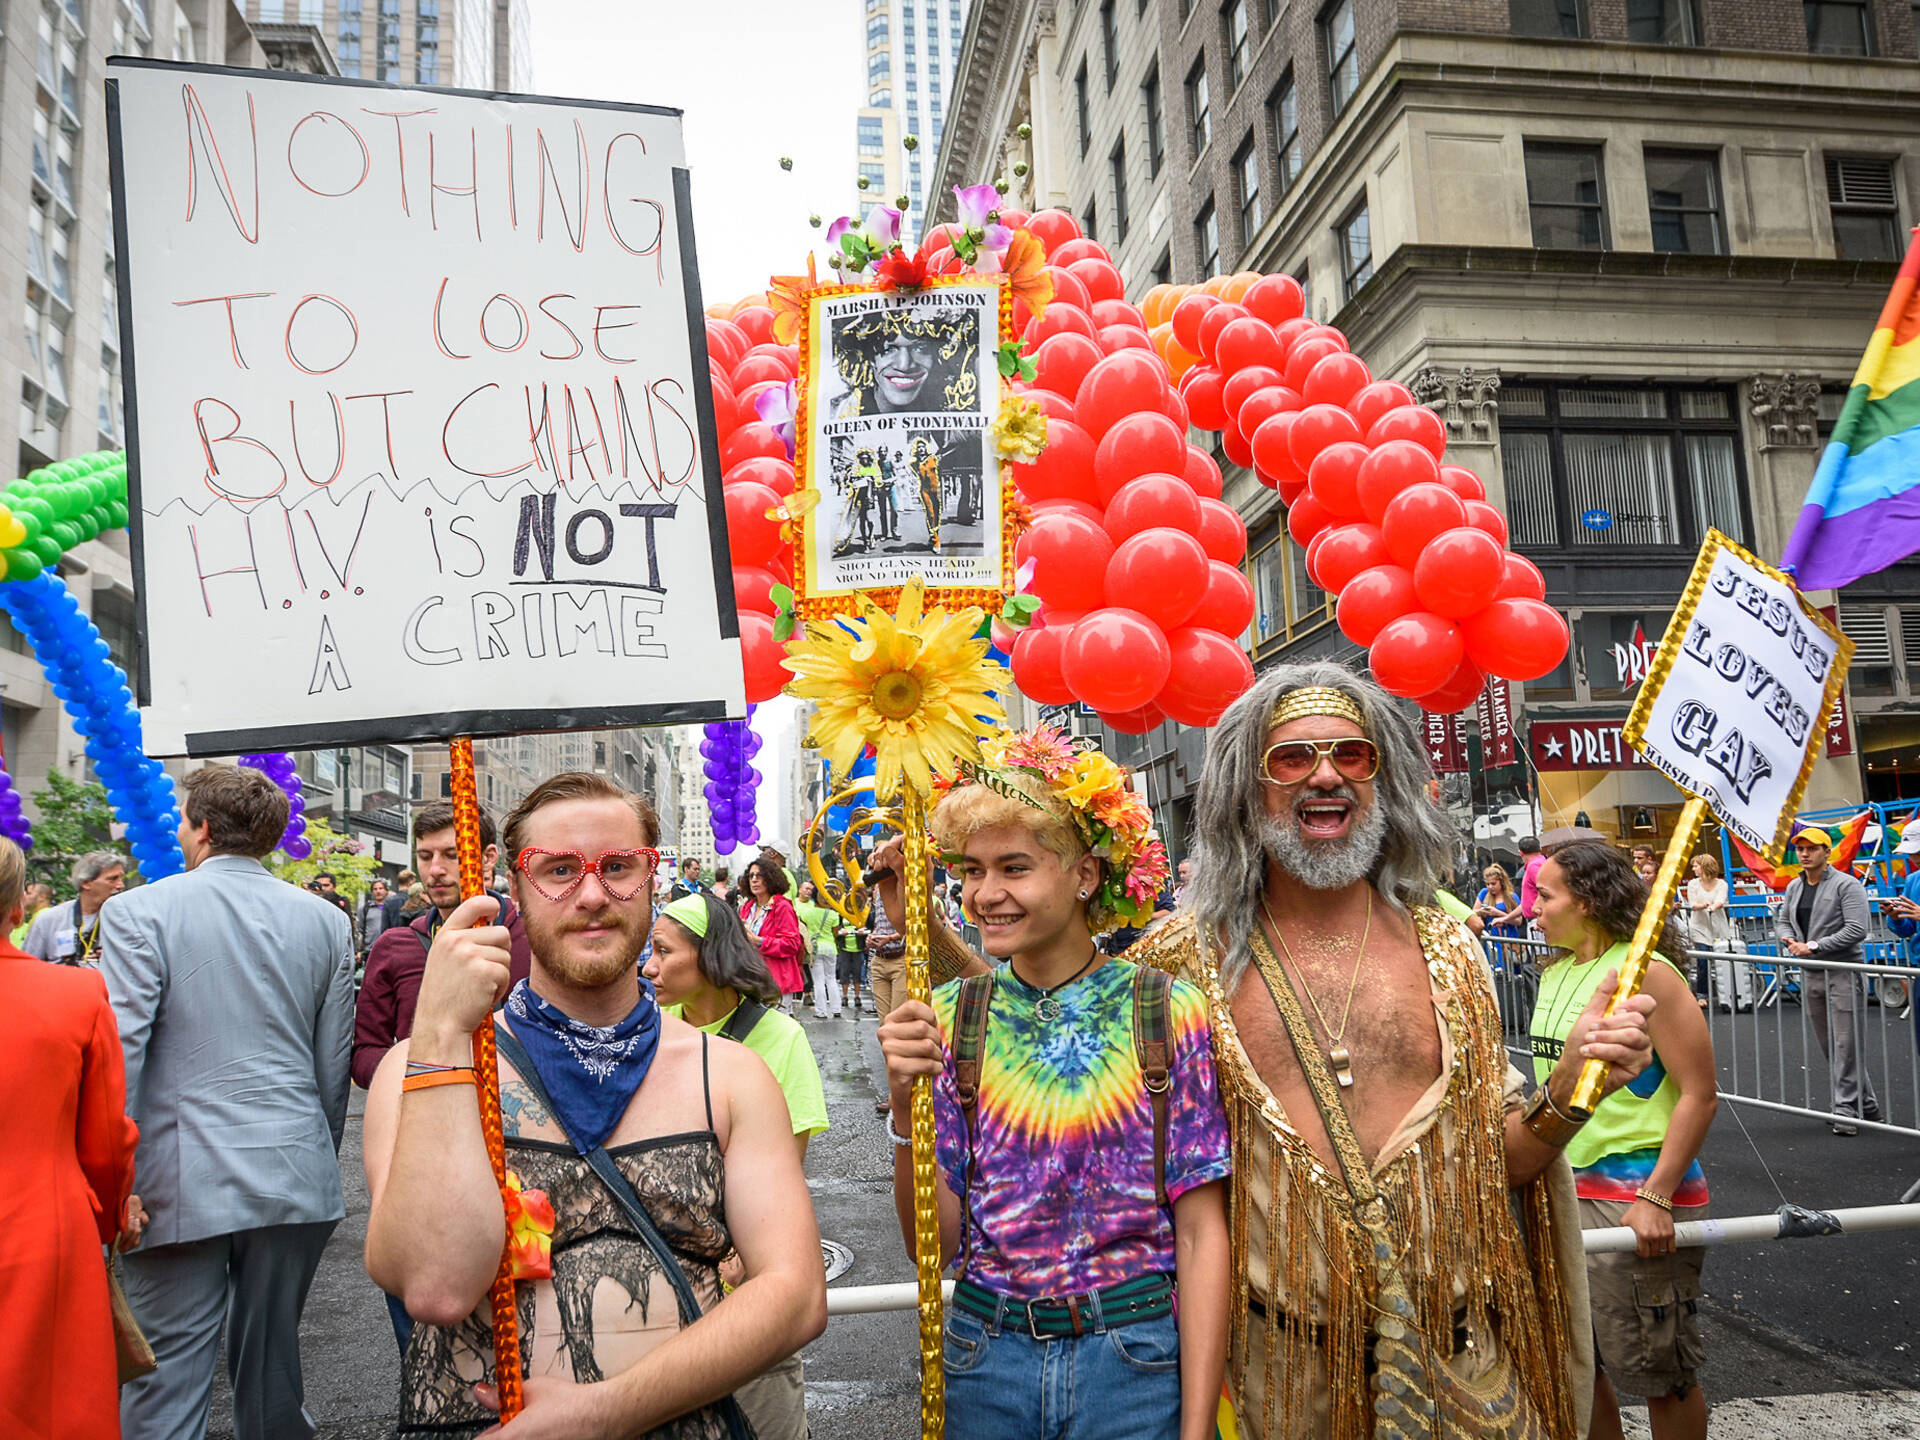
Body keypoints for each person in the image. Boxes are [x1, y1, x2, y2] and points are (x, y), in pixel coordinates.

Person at [1134, 664, 1658, 1437]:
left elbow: (1501, 1167)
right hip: (1278, 1386)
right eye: (1292, 758)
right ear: (1247, 790)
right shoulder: (1180, 963)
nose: (1326, 775)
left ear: (1386, 782)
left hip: (1463, 1371)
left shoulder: (1448, 948)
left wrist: (1575, 1089)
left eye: (1353, 755)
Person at [363, 771, 827, 1440]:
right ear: (514, 888)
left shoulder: (730, 1078)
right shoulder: (419, 1069)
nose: (590, 895)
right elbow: (436, 1289)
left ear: (652, 881)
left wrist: (605, 1412)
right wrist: (440, 1029)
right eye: (557, 869)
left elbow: (795, 1296)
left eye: (618, 867)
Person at [875, 726, 1231, 1440]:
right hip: (984, 1358)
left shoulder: (1164, 1009)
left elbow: (1200, 1234)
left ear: (1086, 875)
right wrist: (907, 1106)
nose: (985, 894)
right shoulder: (949, 1018)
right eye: (971, 871)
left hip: (1133, 1358)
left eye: (1014, 867)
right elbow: (931, 1247)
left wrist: (1196, 1425)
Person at [103, 765, 355, 1440]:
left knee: (165, 1385)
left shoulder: (138, 910)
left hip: (173, 1178)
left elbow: (122, 1048)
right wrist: (314, 1158)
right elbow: (331, 1066)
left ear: (203, 829)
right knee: (273, 1381)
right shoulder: (327, 923)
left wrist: (115, 1179)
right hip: (292, 1169)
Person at [1531, 842, 1718, 1440]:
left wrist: (1657, 1195)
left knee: (1663, 1372)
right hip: (1563, 1193)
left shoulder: (1648, 972)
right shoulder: (1555, 972)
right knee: (1577, 1368)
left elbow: (1699, 1093)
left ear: (1585, 902)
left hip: (1634, 1198)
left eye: (1546, 894)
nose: (1532, 907)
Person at [646, 890, 827, 1440]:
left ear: (710, 956)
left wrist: (743, 1253)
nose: (649, 968)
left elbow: (784, 1173)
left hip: (745, 1295)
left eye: (662, 951)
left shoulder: (780, 1038)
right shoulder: (649, 1032)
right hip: (661, 1295)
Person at [0, 833, 146, 1439]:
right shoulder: (74, 994)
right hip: (42, 1229)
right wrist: (115, 1218)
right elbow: (104, 1142)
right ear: (17, 909)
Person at [353, 802, 535, 1089]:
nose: (435, 869)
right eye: (425, 857)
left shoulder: (535, 939)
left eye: (452, 855)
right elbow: (364, 1053)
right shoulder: (394, 947)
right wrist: (426, 1068)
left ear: (488, 858)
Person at [1780, 824, 1880, 1135]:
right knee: (1832, 1045)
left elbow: (1856, 930)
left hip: (1843, 971)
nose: (1805, 853)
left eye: (1812, 848)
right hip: (1812, 974)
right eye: (1801, 848)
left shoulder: (1848, 885)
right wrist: (1788, 940)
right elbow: (1783, 919)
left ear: (1827, 852)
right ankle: (1867, 1104)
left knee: (1846, 1043)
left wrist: (1811, 946)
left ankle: (1846, 1110)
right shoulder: (1794, 887)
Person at [23, 849, 127, 965]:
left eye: (121, 878)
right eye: (112, 879)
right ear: (86, 883)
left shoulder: (126, 920)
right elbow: (28, 966)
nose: (120, 885)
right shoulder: (49, 919)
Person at [1684, 852, 1749, 1012]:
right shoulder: (1693, 884)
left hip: (1718, 925)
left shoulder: (1721, 884)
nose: (1693, 869)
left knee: (1723, 960)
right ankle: (1702, 995)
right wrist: (1704, 905)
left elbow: (1721, 898)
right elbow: (1692, 903)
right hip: (1699, 925)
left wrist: (1715, 906)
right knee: (1703, 959)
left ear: (1705, 867)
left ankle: (1727, 994)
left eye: (1696, 866)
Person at [740, 856, 807, 1014]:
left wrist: (759, 941)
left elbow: (792, 944)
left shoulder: (782, 906)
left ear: (770, 878)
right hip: (750, 980)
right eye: (751, 876)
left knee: (774, 1033)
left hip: (776, 982)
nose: (754, 880)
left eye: (759, 875)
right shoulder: (747, 906)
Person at [795, 879, 843, 1018]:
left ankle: (821, 1011)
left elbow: (802, 926)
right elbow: (835, 933)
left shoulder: (809, 913)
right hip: (831, 948)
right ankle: (836, 1009)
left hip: (815, 950)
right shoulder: (833, 914)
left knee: (818, 981)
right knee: (832, 979)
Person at [910, 434, 943, 553]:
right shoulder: (913, 464)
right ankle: (936, 541)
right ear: (916, 449)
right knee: (930, 514)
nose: (920, 449)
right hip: (925, 491)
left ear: (926, 448)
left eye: (922, 446)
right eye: (918, 447)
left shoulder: (934, 458)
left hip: (937, 489)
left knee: (938, 515)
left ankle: (933, 536)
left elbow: (940, 472)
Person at [835, 912, 868, 1020]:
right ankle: (844, 997)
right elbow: (835, 929)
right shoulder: (840, 914)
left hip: (857, 949)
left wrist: (862, 931)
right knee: (844, 972)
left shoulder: (860, 915)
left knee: (857, 973)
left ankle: (857, 997)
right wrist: (841, 931)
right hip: (844, 948)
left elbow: (867, 927)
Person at [11, 877, 52, 944]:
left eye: (28, 893)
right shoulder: (39, 916)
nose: (24, 896)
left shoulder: (43, 917)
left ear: (42, 897)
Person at [1517, 833, 1546, 929]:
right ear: (1540, 849)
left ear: (1521, 852)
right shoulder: (1541, 862)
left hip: (1538, 921)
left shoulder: (1534, 866)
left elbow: (1546, 891)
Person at [359, 877, 393, 956]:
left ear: (386, 891)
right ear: (372, 891)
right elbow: (360, 930)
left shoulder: (392, 908)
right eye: (375, 889)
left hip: (388, 950)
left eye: (381, 888)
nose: (378, 891)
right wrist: (359, 951)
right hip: (370, 951)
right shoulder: (365, 909)